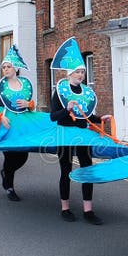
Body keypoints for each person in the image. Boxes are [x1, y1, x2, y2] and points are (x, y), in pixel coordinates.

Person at [49, 38, 111, 224]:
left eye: (83, 71)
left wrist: (100, 119)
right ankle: (65, 208)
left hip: (83, 134)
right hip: (65, 133)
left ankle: (88, 210)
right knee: (66, 169)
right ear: (70, 74)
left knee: (87, 169)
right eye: (77, 71)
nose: (81, 74)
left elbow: (87, 116)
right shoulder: (60, 91)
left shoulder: (86, 92)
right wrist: (66, 109)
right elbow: (53, 116)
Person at [0, 46, 34, 201]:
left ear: (15, 68)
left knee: (23, 156)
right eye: (3, 67)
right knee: (10, 155)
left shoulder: (26, 83)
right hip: (6, 124)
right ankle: (10, 187)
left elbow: (33, 105)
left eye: (8, 66)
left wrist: (29, 104)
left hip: (23, 124)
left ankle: (6, 173)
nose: (5, 69)